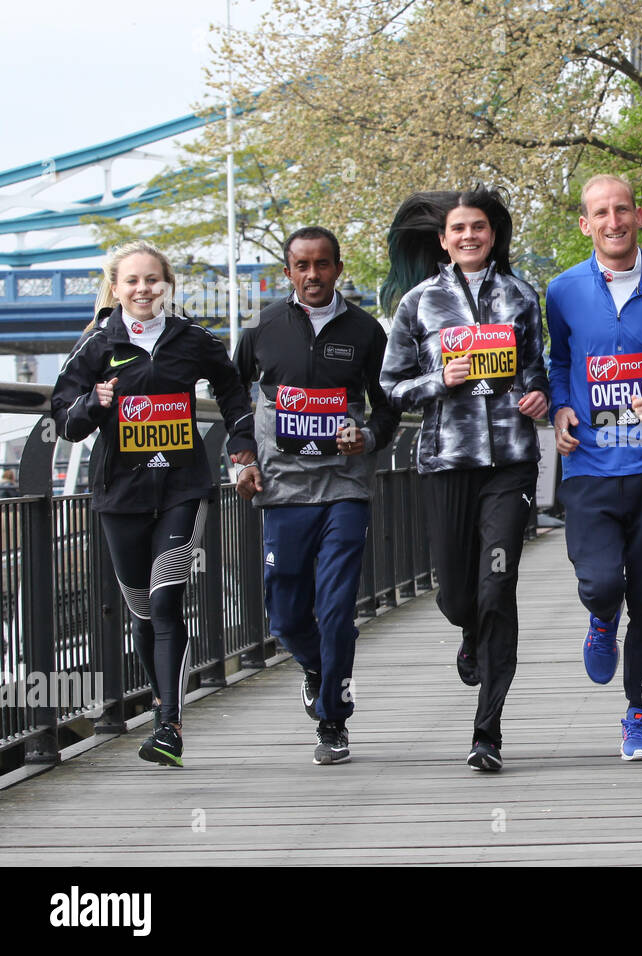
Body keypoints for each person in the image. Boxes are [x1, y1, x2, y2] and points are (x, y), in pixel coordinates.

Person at [51, 240, 256, 767]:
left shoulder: (192, 338)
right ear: (116, 288)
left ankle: (169, 727)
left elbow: (233, 388)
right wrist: (92, 403)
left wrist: (240, 444)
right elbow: (63, 419)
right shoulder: (99, 343)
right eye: (133, 282)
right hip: (120, 494)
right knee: (142, 610)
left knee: (166, 601)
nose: (143, 290)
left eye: (153, 280)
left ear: (167, 285)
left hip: (182, 488)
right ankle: (164, 701)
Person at [380, 188, 549, 772]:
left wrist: (538, 397)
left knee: (497, 588)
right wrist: (438, 380)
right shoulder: (419, 303)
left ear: (492, 234)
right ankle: (469, 633)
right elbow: (391, 386)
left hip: (509, 463)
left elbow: (538, 373)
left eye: (479, 226)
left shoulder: (522, 295)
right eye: (458, 229)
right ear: (444, 239)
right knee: (457, 596)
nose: (469, 236)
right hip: (447, 462)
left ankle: (488, 733)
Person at [546, 174, 642, 761]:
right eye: (600, 213)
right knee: (603, 582)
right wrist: (562, 406)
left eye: (622, 210)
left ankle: (639, 716)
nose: (613, 221)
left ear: (639, 216)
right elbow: (557, 362)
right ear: (585, 224)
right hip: (587, 463)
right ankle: (599, 618)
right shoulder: (561, 292)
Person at [233, 226, 399, 766]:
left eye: (322, 264)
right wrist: (241, 457)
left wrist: (368, 436)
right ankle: (315, 669)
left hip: (343, 487)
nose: (312, 275)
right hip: (283, 489)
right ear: (288, 273)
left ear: (338, 268)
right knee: (284, 616)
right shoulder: (261, 328)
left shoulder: (367, 331)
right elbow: (234, 399)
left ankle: (332, 721)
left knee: (334, 610)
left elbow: (388, 404)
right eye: (301, 266)